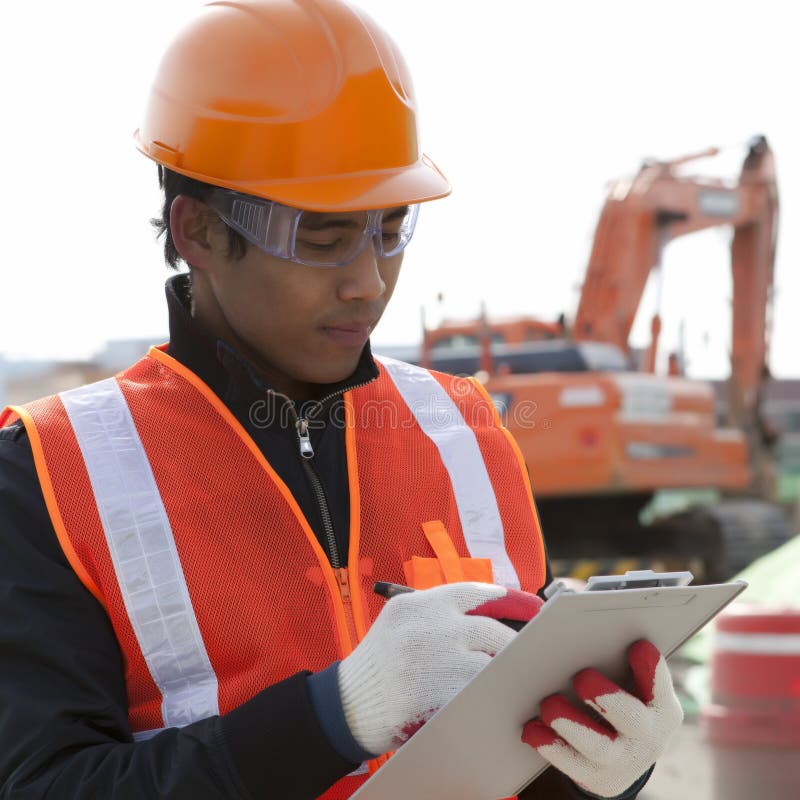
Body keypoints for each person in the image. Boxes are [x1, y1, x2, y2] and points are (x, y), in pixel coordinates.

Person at [0, 1, 682, 797]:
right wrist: (332, 717)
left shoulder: (467, 430)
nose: (368, 281)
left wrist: (608, 767)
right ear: (199, 234)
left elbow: (516, 755)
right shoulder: (48, 476)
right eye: (323, 238)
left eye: (391, 229)